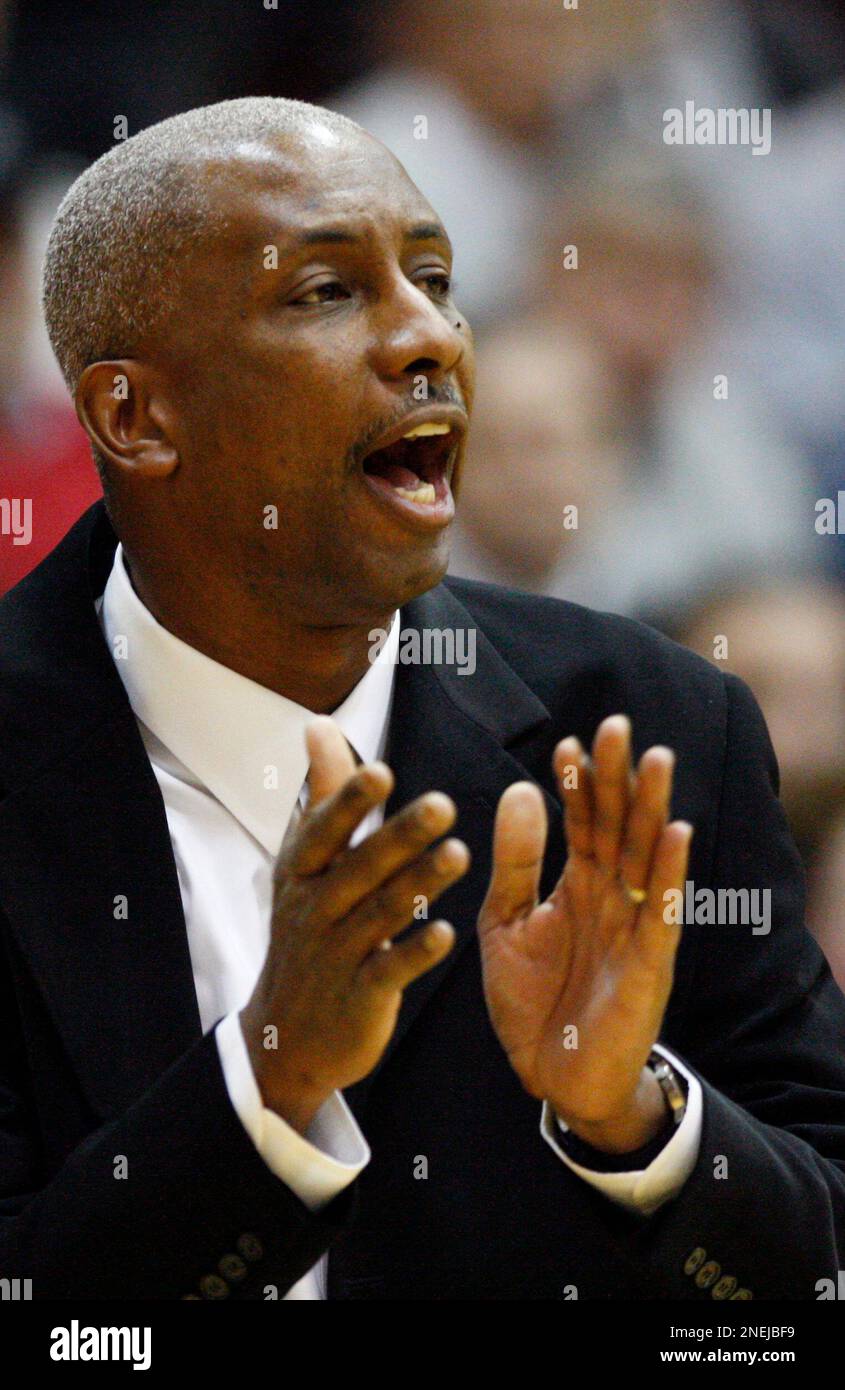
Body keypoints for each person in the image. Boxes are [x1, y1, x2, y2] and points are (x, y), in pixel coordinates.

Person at [0, 96, 844, 1302]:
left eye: (435, 277)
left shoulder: (649, 726)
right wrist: (267, 1086)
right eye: (325, 292)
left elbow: (817, 1277)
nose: (430, 338)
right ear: (135, 417)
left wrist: (634, 1118)